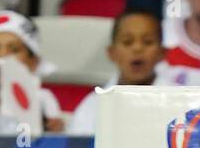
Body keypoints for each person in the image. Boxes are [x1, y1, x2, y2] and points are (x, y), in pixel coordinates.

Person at [0, 8, 64, 134]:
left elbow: (28, 145)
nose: (2, 56)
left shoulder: (43, 100)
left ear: (34, 61)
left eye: (14, 50)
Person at [69, 8, 164, 136]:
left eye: (148, 42)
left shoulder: (181, 102)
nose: (137, 48)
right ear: (111, 53)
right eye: (127, 42)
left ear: (162, 52)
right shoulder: (92, 107)